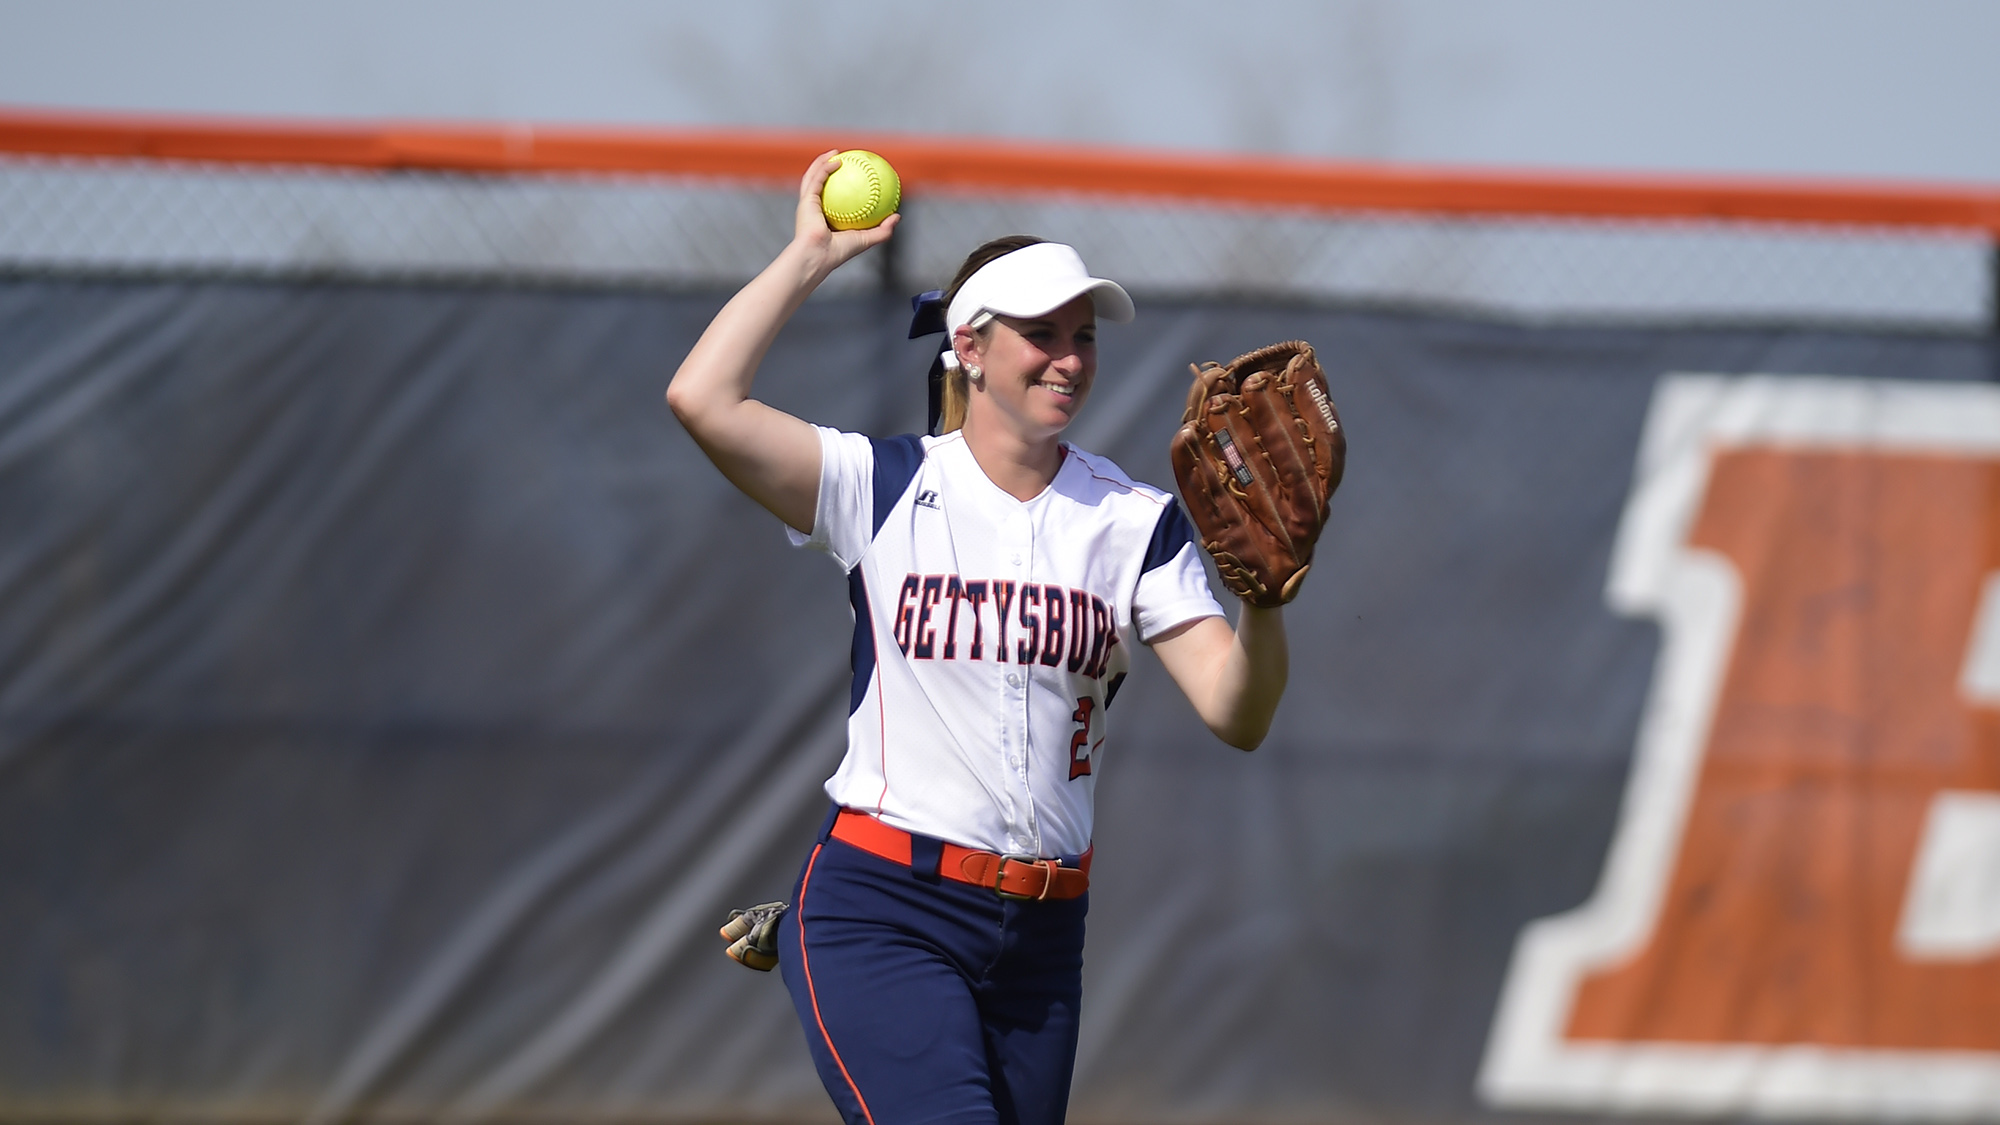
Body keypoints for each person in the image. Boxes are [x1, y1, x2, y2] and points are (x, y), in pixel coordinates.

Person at [666, 152, 1291, 1125]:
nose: (1069, 357)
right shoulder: (880, 486)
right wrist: (807, 258)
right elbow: (701, 399)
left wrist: (1264, 604)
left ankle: (798, 941)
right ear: (969, 342)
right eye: (1039, 334)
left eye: (1082, 336)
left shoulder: (1131, 523)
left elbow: (1233, 710)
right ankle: (815, 938)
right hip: (888, 908)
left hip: (1042, 943)